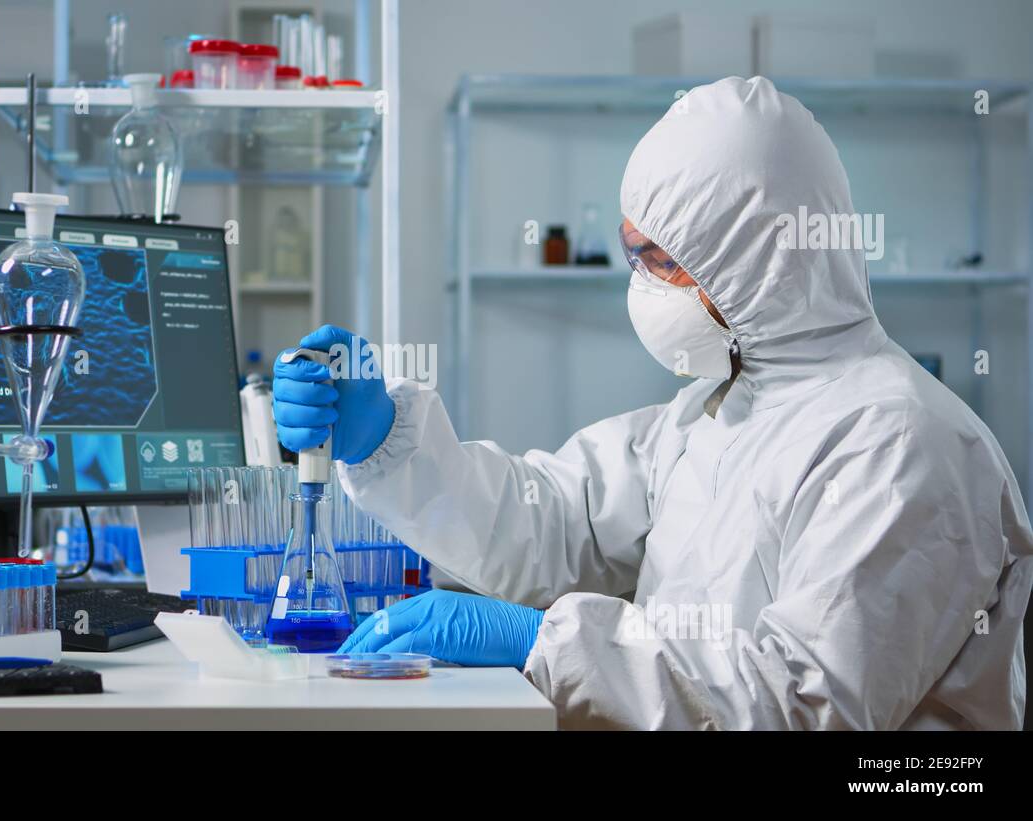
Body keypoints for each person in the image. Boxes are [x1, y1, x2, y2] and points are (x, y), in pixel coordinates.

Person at [271, 77, 1033, 730]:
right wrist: (388, 444)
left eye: (662, 263)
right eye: (635, 257)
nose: (640, 287)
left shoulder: (903, 441)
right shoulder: (717, 407)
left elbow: (801, 704)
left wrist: (547, 643)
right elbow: (556, 523)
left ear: (758, 260)